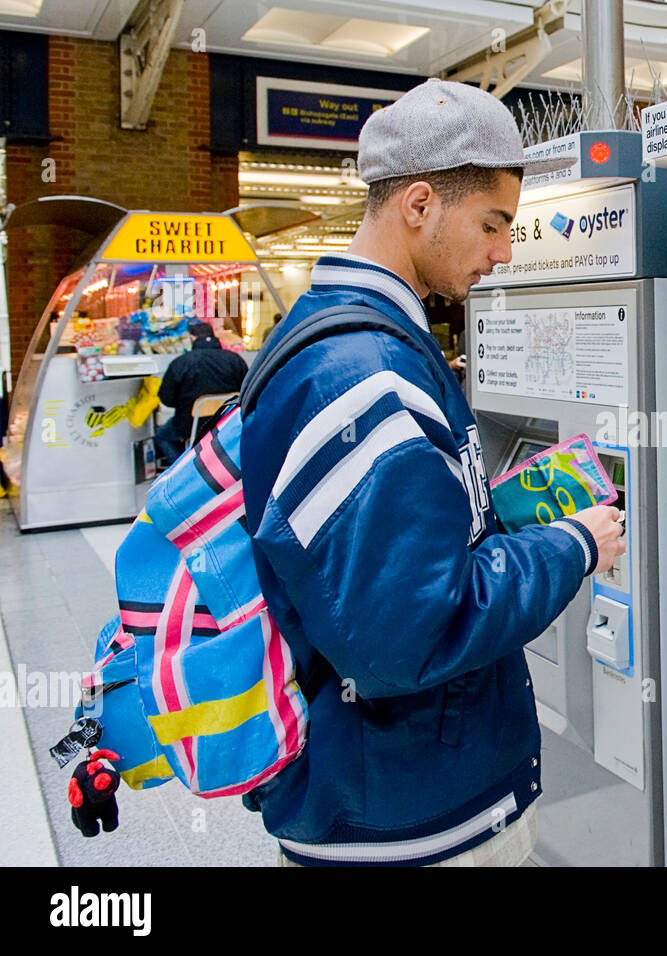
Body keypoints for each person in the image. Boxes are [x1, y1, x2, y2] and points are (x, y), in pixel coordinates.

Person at [238, 79, 625, 867]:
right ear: (419, 205)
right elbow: (410, 638)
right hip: (412, 821)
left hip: (379, 790)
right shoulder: (370, 377)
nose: (504, 252)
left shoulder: (329, 336)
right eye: (492, 223)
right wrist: (573, 545)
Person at [154, 321, 248, 463]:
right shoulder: (234, 359)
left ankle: (184, 468)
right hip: (228, 422)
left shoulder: (180, 363)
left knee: (162, 436)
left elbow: (166, 398)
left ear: (192, 338)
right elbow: (246, 389)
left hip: (190, 424)